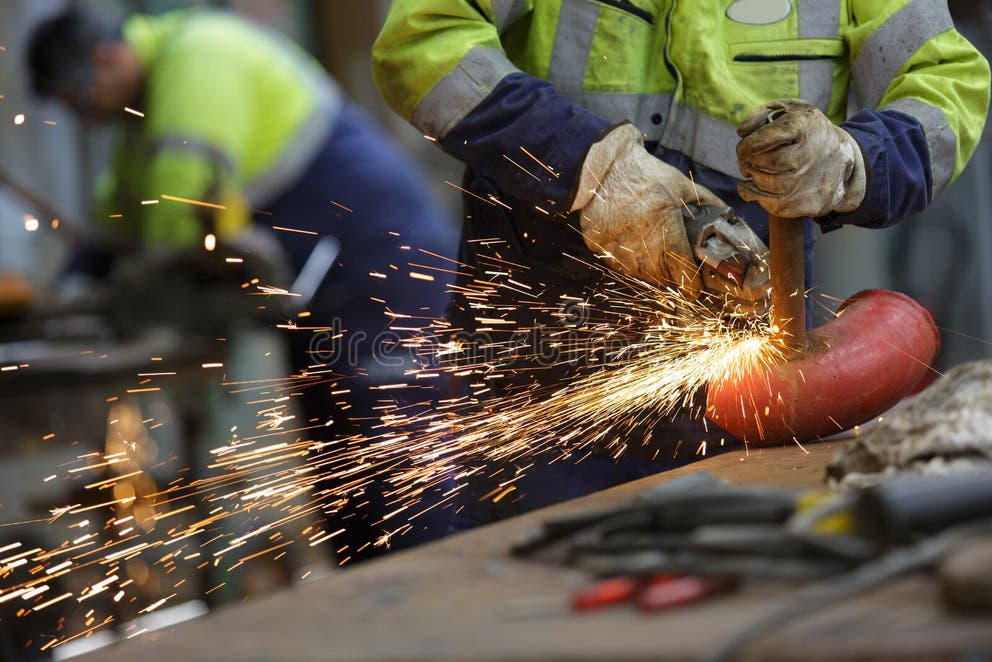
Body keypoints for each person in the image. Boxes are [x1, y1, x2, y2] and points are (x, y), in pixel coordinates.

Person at [371, 1, 990, 525]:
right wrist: (589, 165)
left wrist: (856, 160)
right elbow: (424, 41)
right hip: (539, 366)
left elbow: (945, 81)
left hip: (742, 374)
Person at [26, 6, 460, 560]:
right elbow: (123, 219)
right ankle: (378, 600)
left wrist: (128, 293)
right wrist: (77, 280)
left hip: (380, 258)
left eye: (79, 98)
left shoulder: (195, 58)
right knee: (337, 454)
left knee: (393, 441)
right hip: (317, 279)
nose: (86, 116)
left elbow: (178, 213)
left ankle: (439, 586)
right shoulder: (140, 118)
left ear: (105, 59)